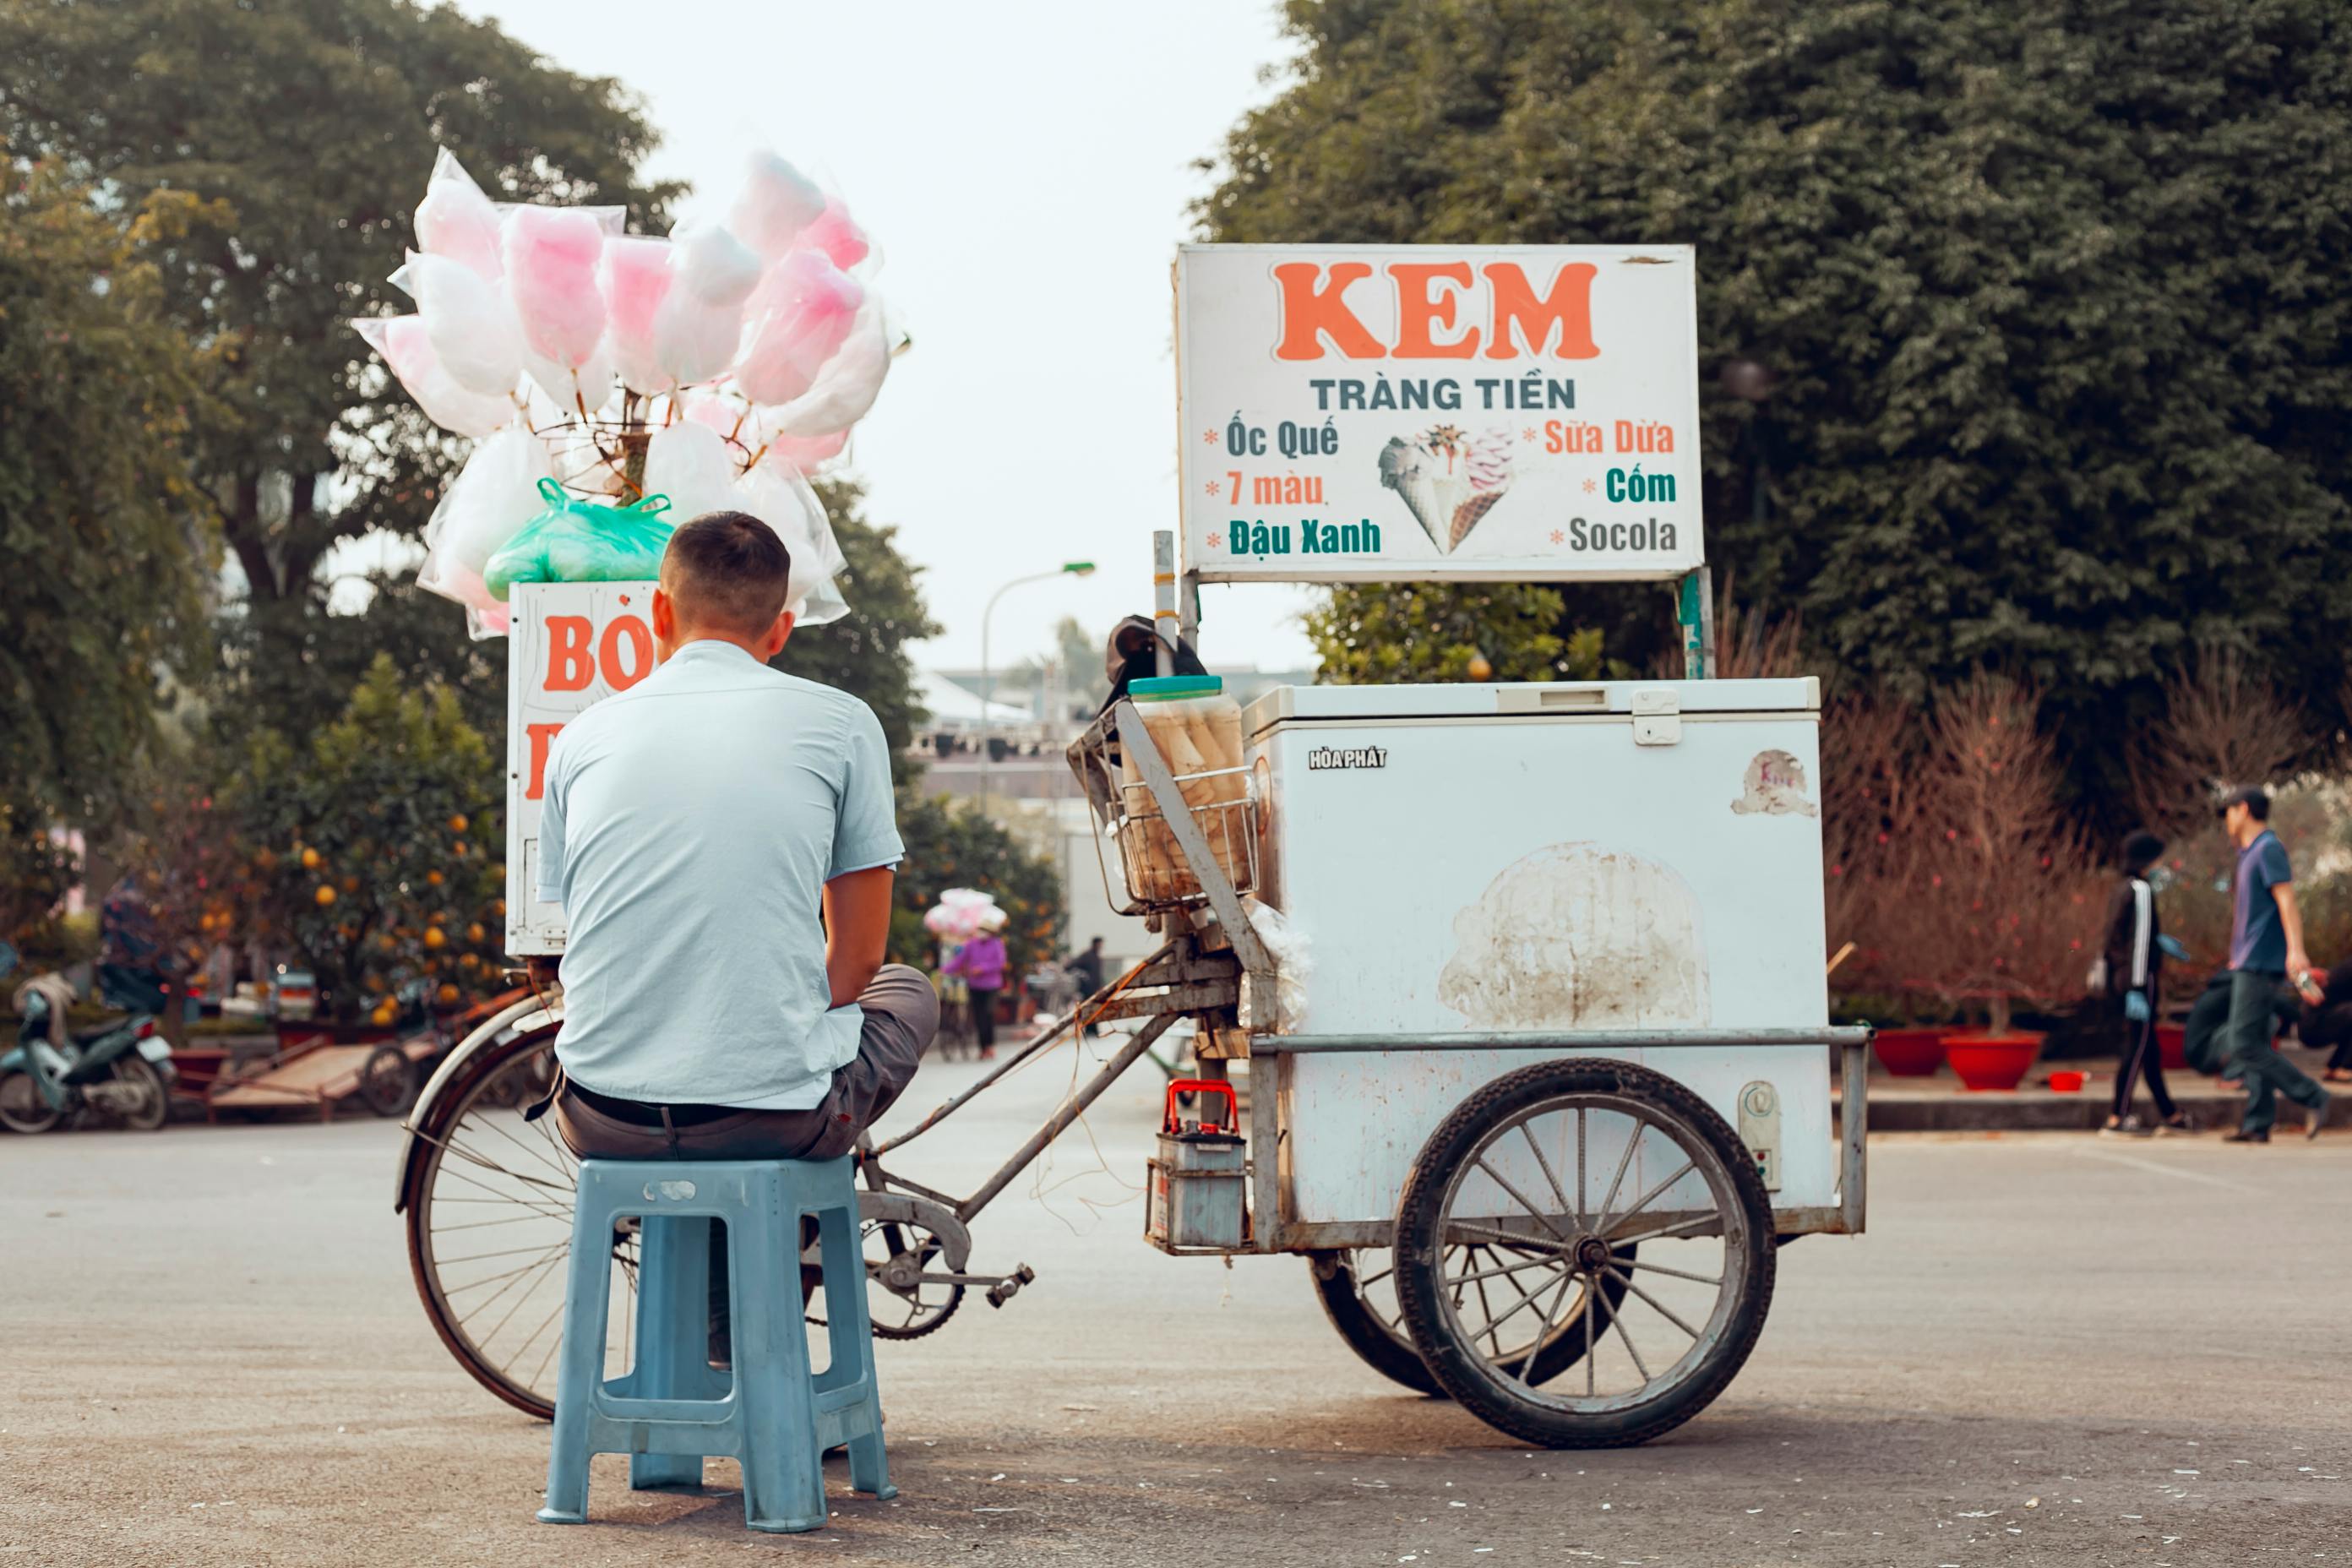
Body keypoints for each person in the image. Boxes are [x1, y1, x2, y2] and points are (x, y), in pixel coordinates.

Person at [531, 511, 938, 1358]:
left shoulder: (579, 737)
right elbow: (857, 961)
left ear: (656, 614)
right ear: (782, 628)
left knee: (747, 1046)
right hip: (765, 1120)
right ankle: (761, 1328)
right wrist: (768, 1014)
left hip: (601, 1113)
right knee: (904, 991)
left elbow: (598, 929)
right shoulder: (840, 722)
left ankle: (724, 1316)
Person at [2191, 787, 2329, 1143]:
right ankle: (2257, 1122)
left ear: (2245, 809)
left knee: (2243, 1044)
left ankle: (2312, 1096)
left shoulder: (2268, 848)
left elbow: (2287, 901)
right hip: (2247, 962)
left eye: (2229, 812)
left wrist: (2295, 952)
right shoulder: (2250, 853)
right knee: (2254, 1041)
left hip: (2259, 964)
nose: (2226, 821)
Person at [2099, 831, 2191, 1137]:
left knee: (2148, 1049)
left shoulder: (2121, 889)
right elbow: (2136, 944)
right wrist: (2138, 987)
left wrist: (2157, 941)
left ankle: (2170, 1113)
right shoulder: (2141, 890)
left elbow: (2117, 936)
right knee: (2136, 1047)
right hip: (2139, 979)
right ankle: (2117, 1116)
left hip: (2122, 977)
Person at [942, 917, 1007, 1059]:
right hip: (975, 985)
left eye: (985, 930)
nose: (982, 932)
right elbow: (959, 961)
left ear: (991, 932)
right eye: (981, 929)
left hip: (991, 986)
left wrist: (983, 969)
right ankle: (982, 1048)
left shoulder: (996, 944)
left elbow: (1000, 963)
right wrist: (944, 970)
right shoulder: (971, 944)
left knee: (988, 1015)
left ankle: (989, 1046)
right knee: (978, 1017)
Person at [2295, 958, 2352, 1084]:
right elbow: (2306, 976)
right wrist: (2306, 987)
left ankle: (2333, 1068)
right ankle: (2346, 1067)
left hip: (2325, 1021)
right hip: (2313, 1026)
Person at [1064, 936, 1107, 1037]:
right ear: (1095, 944)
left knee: (1094, 1009)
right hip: (1087, 989)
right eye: (1100, 944)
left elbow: (1097, 975)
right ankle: (1088, 1029)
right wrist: (1082, 976)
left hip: (1094, 989)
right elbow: (1070, 967)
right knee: (1088, 1008)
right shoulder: (1087, 956)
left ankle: (1092, 1029)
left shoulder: (1096, 957)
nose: (1101, 946)